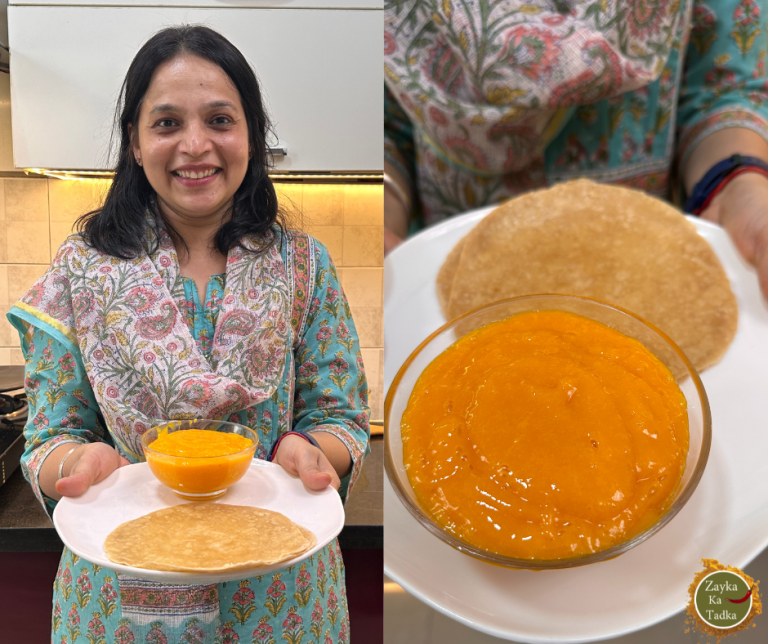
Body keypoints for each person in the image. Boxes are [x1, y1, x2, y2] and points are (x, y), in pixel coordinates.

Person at [8, 25, 369, 643]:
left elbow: (343, 416)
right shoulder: (80, 271)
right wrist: (77, 460)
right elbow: (49, 436)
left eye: (220, 120)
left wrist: (314, 451)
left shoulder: (304, 265)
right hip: (120, 591)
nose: (195, 145)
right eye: (168, 122)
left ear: (251, 137)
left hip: (279, 597)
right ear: (135, 141)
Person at [384, 0, 768, 299]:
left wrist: (738, 184)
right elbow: (379, 120)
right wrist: (373, 218)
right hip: (439, 283)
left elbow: (720, 90)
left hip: (646, 272)